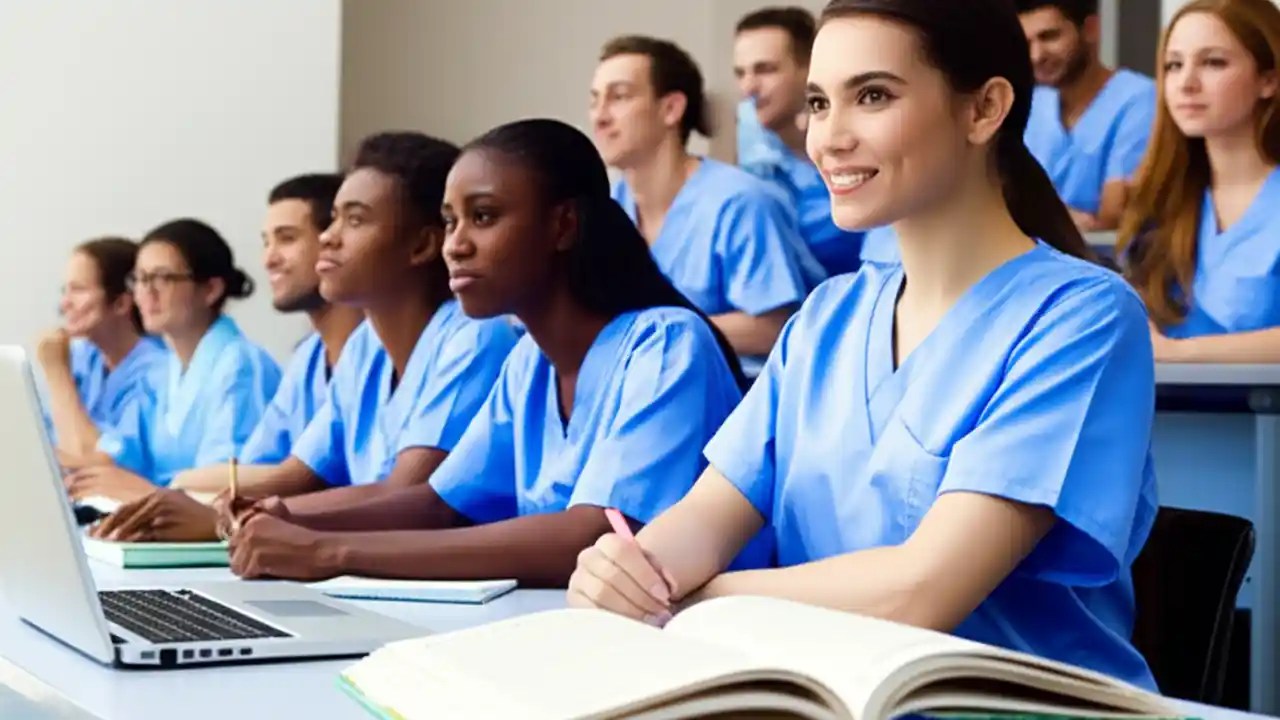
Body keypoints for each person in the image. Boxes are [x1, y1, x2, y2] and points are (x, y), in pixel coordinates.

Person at [568, 0, 1159, 691]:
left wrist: (693, 601)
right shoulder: (828, 318)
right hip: (821, 695)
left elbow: (921, 590)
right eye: (819, 103)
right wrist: (625, 572)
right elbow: (706, 516)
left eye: (872, 96)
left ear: (984, 109)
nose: (829, 137)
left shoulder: (1081, 318)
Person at [198, 119, 762, 586]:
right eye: (450, 221)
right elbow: (441, 502)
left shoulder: (665, 345)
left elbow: (596, 533)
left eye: (484, 217)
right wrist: (285, 517)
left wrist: (331, 552)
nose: (456, 244)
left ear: (563, 225)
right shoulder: (529, 364)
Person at [92, 132, 519, 541]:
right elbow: (294, 477)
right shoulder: (364, 348)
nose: (329, 239)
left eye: (354, 220)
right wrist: (210, 510)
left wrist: (225, 518)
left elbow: (407, 494)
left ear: (422, 245)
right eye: (333, 218)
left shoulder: (474, 338)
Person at [592, 34, 824, 373]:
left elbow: (772, 328)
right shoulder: (609, 208)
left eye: (619, 97)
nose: (599, 117)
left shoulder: (738, 202)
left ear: (671, 108)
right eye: (595, 99)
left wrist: (646, 333)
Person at [65, 219, 281, 503]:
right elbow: (115, 457)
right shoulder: (161, 373)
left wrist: (148, 493)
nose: (146, 292)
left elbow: (230, 489)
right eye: (140, 279)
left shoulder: (241, 365)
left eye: (163, 278)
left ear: (211, 289)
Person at [168, 173, 363, 484]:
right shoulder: (307, 358)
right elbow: (254, 465)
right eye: (266, 242)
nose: (269, 259)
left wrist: (180, 484)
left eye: (286, 238)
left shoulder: (373, 354)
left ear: (333, 242)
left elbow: (293, 480)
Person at [1118, 0, 1280, 363]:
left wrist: (1179, 353)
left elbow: (1159, 349)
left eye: (1213, 62)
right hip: (1163, 415)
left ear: (1269, 79)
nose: (1186, 83)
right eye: (1174, 65)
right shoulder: (1161, 202)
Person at [733, 7, 864, 276]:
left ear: (811, 68)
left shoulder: (858, 145)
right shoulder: (756, 156)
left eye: (765, 70)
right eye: (740, 73)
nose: (749, 87)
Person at [1019, 0, 1157, 231]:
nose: (1036, 55)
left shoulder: (1140, 100)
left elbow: (1115, 219)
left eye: (1049, 37)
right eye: (1026, 43)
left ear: (1091, 29)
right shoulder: (1034, 104)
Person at [36, 238, 165, 459]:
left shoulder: (157, 373)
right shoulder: (84, 356)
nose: (65, 303)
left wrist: (57, 373)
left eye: (78, 290)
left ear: (121, 303)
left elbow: (92, 462)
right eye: (64, 291)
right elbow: (43, 440)